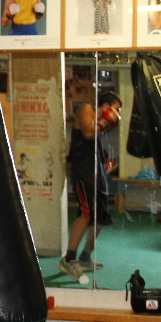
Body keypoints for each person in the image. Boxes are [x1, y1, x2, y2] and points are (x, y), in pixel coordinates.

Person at [59, 91, 122, 280]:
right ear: (105, 106)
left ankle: (85, 257)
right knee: (86, 212)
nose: (116, 114)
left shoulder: (100, 121)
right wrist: (105, 122)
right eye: (115, 110)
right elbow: (87, 133)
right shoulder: (87, 109)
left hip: (97, 171)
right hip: (84, 171)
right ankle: (68, 260)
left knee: (101, 216)